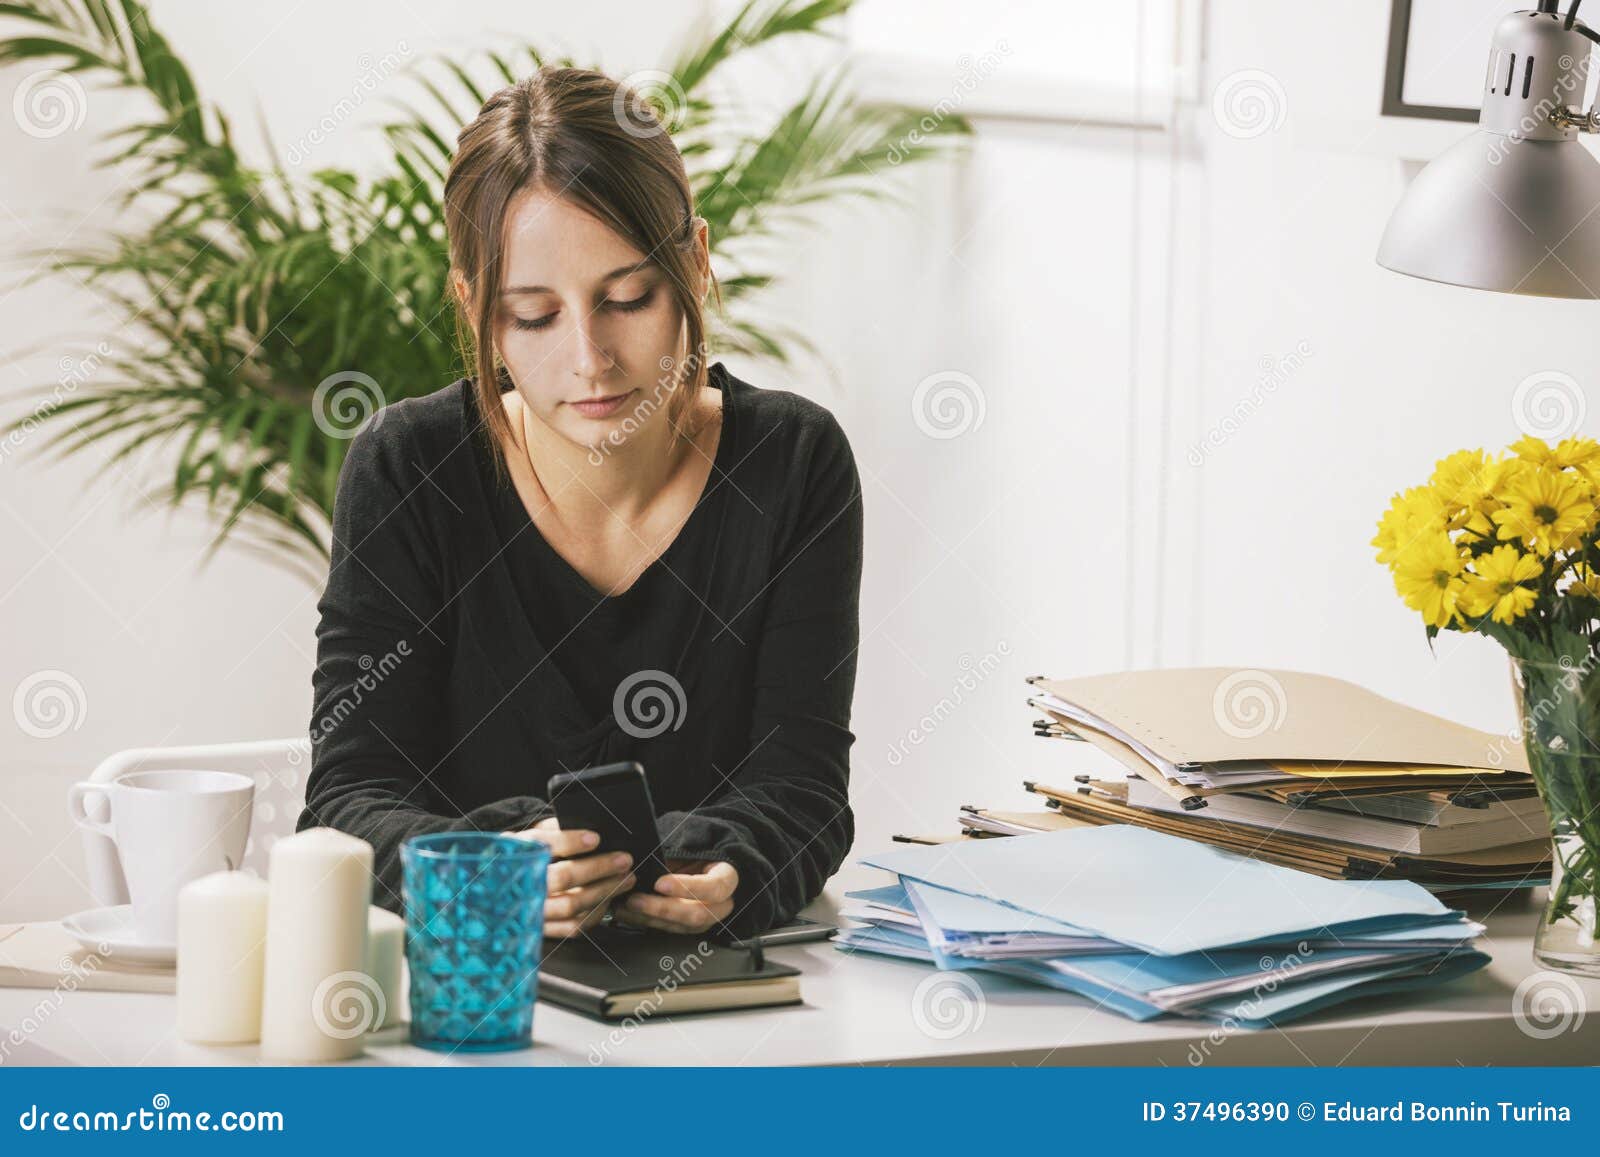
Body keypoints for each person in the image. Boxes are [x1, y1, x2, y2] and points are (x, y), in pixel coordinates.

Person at [296, 66, 863, 941]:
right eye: (533, 315)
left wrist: (731, 865)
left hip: (723, 1010)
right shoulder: (410, 468)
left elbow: (804, 787)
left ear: (696, 264)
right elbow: (347, 800)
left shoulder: (792, 463)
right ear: (474, 307)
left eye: (627, 298)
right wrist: (493, 871)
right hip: (473, 1004)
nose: (590, 358)